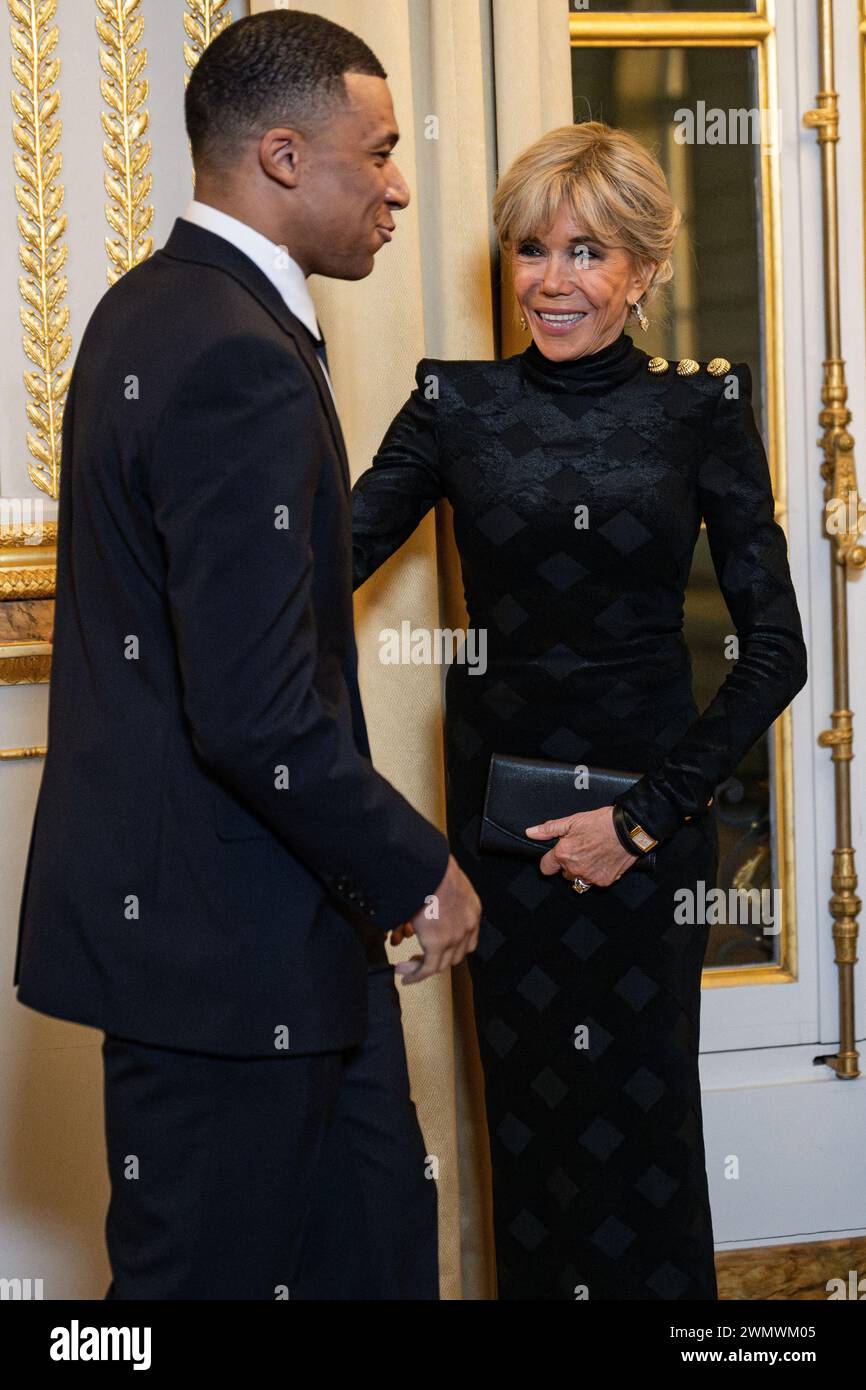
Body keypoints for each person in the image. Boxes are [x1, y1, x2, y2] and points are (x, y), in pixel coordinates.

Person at [14, 9, 479, 1300]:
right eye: (376, 152)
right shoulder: (231, 353)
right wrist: (419, 865)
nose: (397, 184)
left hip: (255, 939)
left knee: (369, 1251)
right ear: (280, 155)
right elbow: (256, 714)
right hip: (227, 953)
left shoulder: (150, 309)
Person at [351, 121, 808, 1300]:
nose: (552, 282)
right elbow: (318, 561)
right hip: (503, 850)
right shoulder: (453, 404)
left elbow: (776, 652)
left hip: (644, 852)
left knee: (640, 1144)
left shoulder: (696, 408)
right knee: (533, 1142)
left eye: (589, 253)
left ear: (645, 271)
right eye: (531, 250)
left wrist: (642, 821)